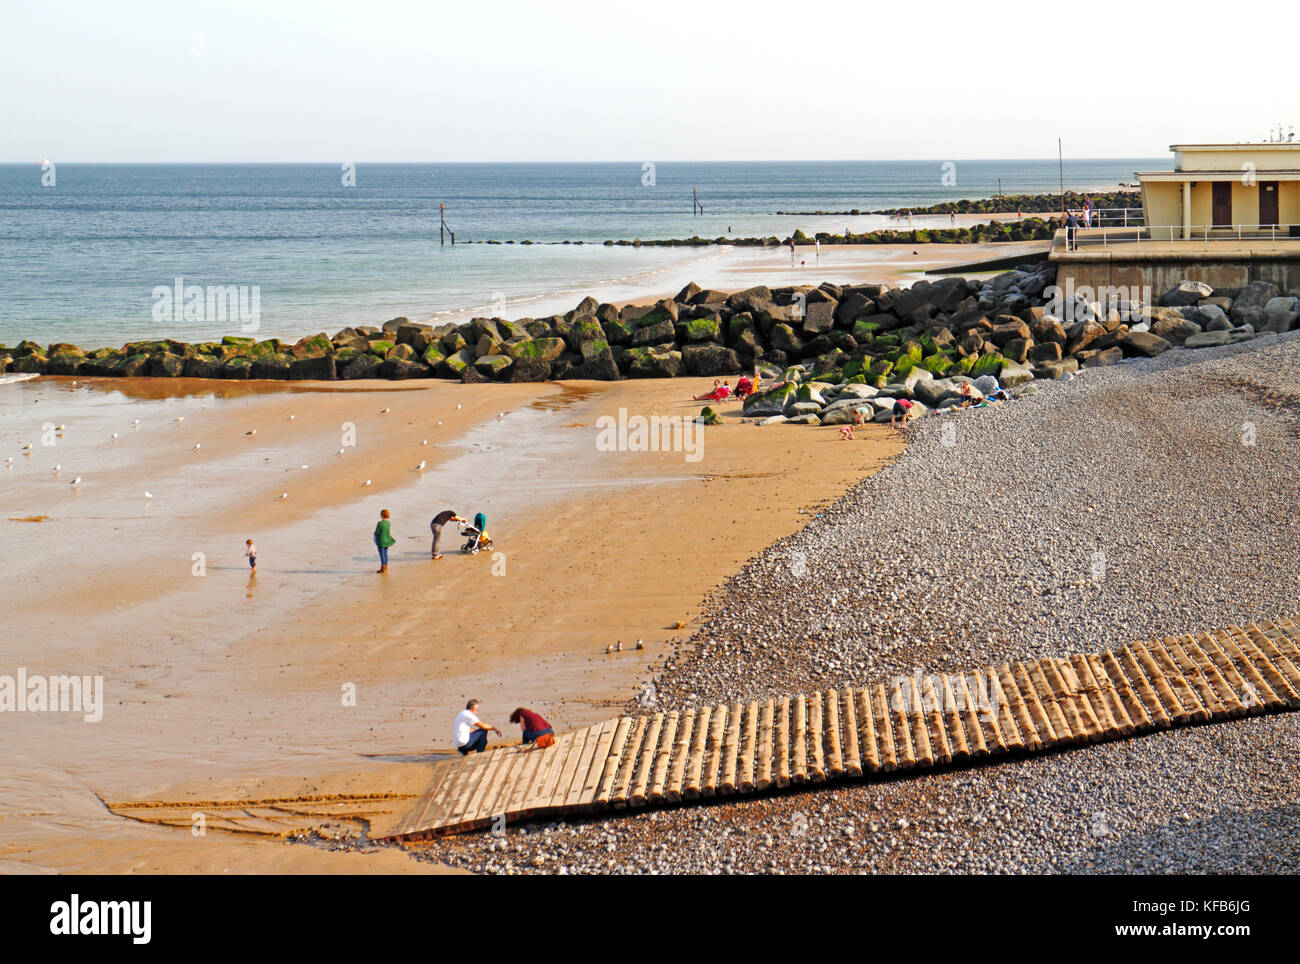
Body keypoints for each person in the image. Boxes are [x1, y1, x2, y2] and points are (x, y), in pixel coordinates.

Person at [374, 508, 395, 574]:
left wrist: (375, 539)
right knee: (385, 554)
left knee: (382, 554)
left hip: (381, 541)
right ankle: (385, 566)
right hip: (387, 540)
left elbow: (376, 532)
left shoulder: (380, 523)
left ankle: (382, 567)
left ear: (382, 515)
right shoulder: (388, 523)